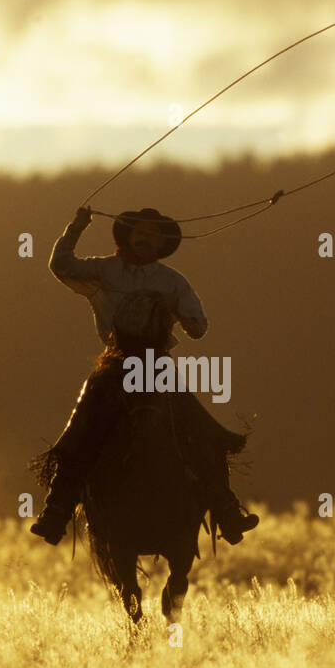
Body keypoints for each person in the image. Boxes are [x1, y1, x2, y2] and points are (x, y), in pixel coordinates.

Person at [30, 205, 259, 546]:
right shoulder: (103, 270)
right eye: (141, 232)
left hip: (157, 366)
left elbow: (198, 328)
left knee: (204, 433)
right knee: (79, 433)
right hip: (114, 364)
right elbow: (60, 265)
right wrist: (76, 228)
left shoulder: (173, 281)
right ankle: (56, 512)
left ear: (161, 245)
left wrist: (177, 312)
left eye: (154, 236)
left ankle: (226, 510)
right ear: (127, 235)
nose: (146, 239)